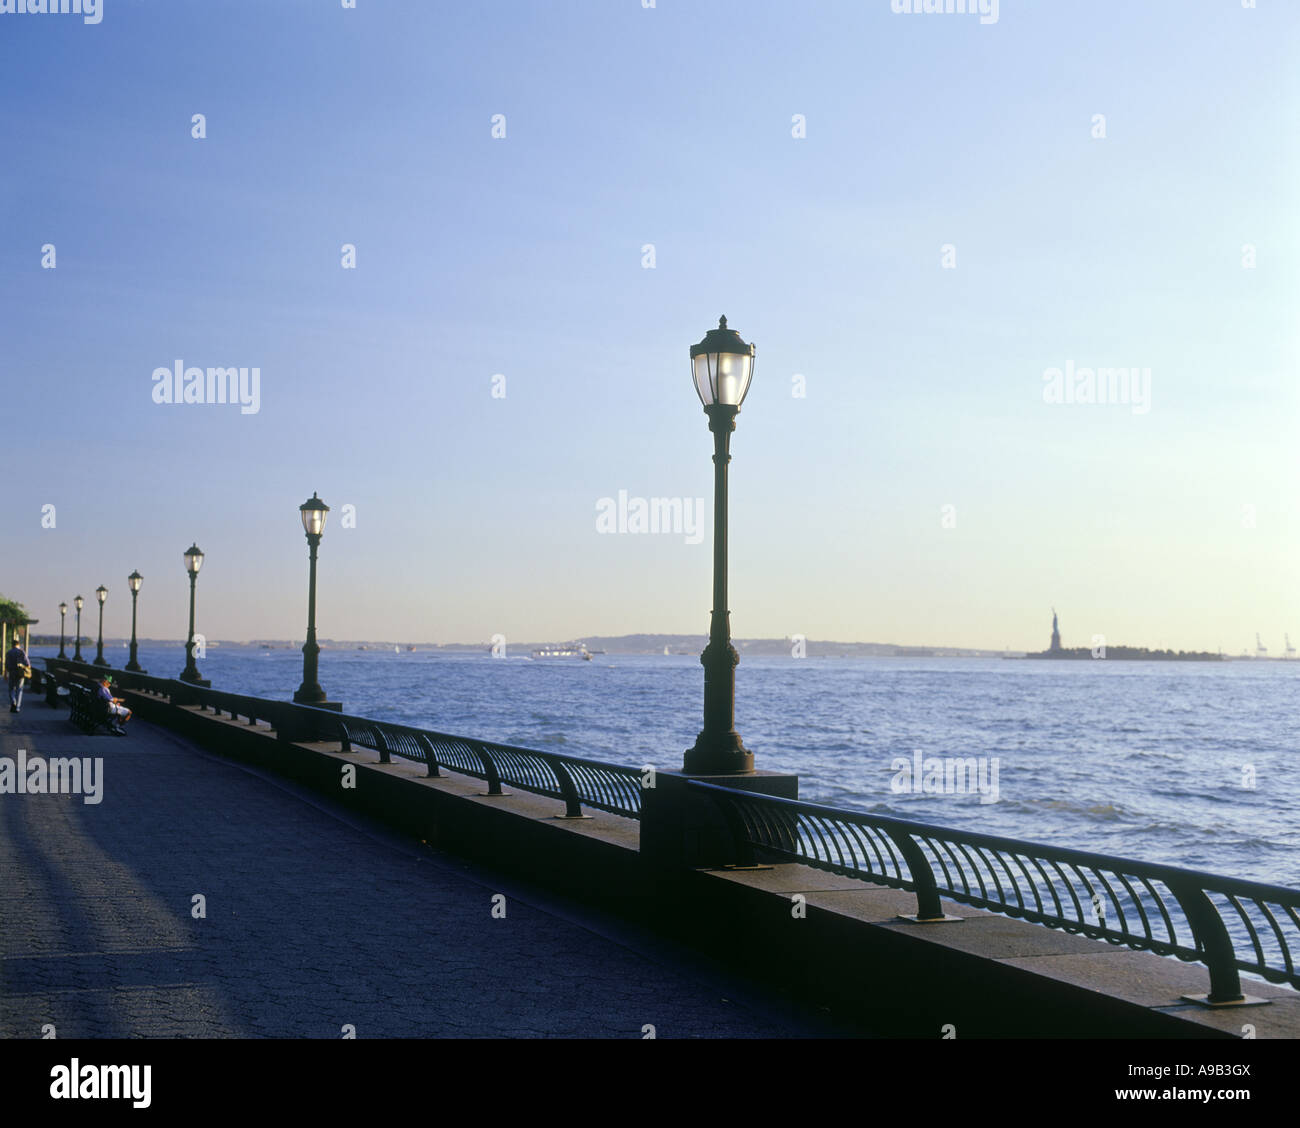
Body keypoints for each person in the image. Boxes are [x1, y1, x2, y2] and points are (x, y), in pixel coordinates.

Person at [5, 637, 29, 713]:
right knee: (19, 690)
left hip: (12, 672)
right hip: (20, 673)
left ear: (12, 645)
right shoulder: (22, 652)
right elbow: (27, 664)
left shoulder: (9, 653)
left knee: (11, 689)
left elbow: (6, 665)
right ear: (18, 645)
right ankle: (17, 708)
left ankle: (13, 702)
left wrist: (6, 673)